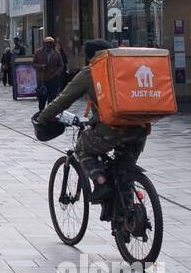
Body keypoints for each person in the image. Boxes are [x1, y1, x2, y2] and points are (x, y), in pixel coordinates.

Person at [36, 38, 149, 203]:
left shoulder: (91, 72)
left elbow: (63, 100)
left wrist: (43, 116)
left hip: (112, 130)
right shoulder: (125, 68)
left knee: (82, 147)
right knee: (124, 174)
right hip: (140, 130)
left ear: (89, 57)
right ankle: (129, 219)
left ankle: (101, 182)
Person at [32, 35, 65, 113]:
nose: (48, 45)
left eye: (50, 43)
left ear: (52, 44)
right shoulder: (38, 52)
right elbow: (33, 64)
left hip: (53, 79)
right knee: (42, 97)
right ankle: (41, 111)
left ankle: (49, 113)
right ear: (44, 44)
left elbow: (61, 66)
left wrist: (56, 73)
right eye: (47, 43)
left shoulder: (57, 53)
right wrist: (40, 66)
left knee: (52, 97)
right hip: (42, 78)